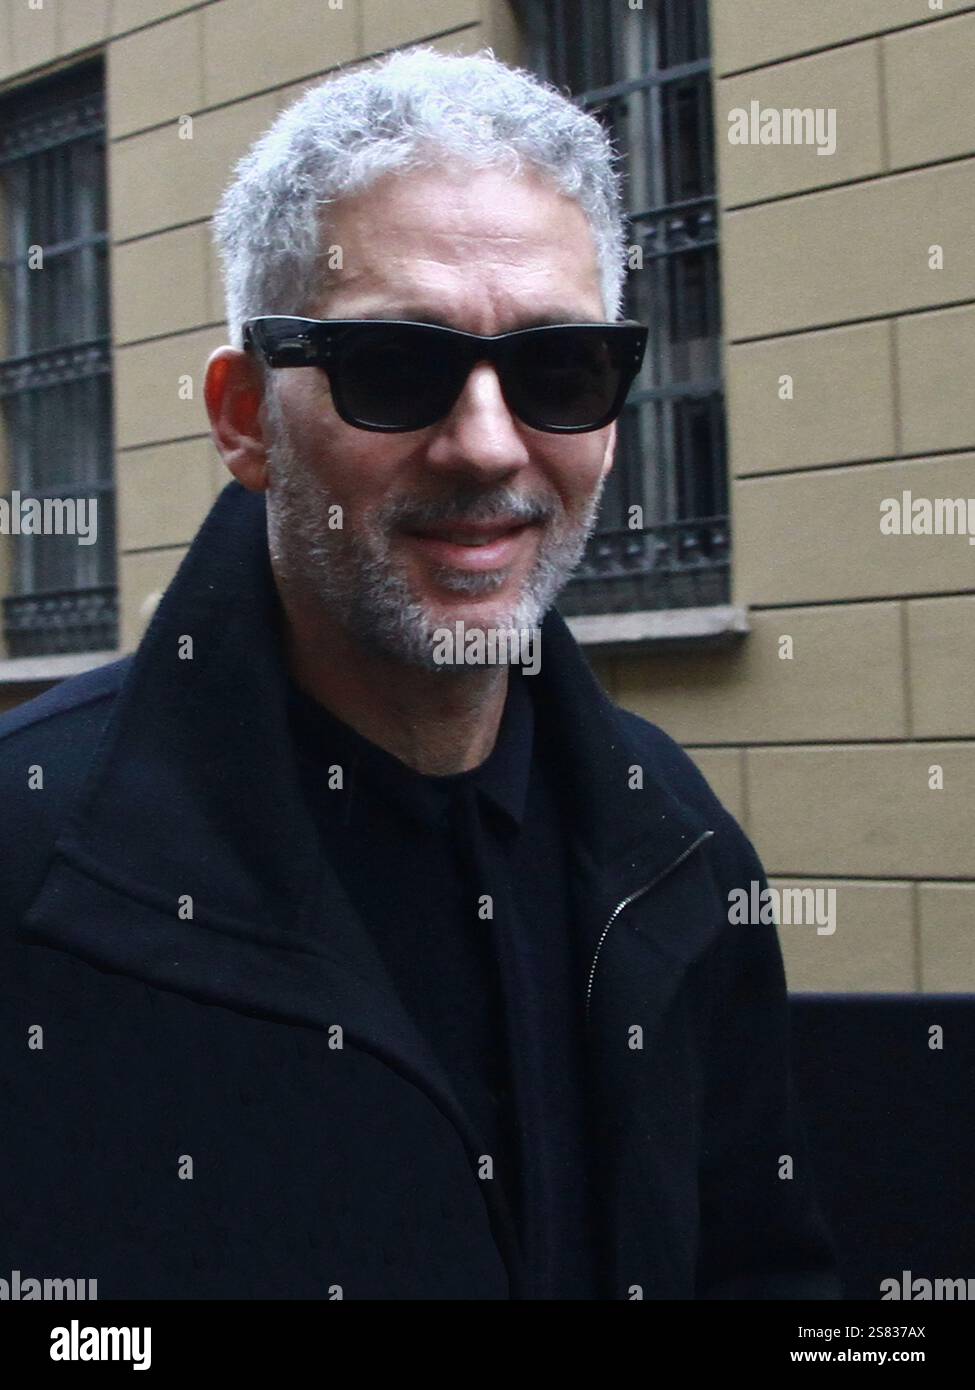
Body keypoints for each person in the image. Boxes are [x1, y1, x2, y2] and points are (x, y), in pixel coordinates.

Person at [0, 47, 841, 1300]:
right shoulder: (34, 854)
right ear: (244, 418)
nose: (488, 444)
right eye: (395, 366)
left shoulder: (681, 851)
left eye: (560, 369)